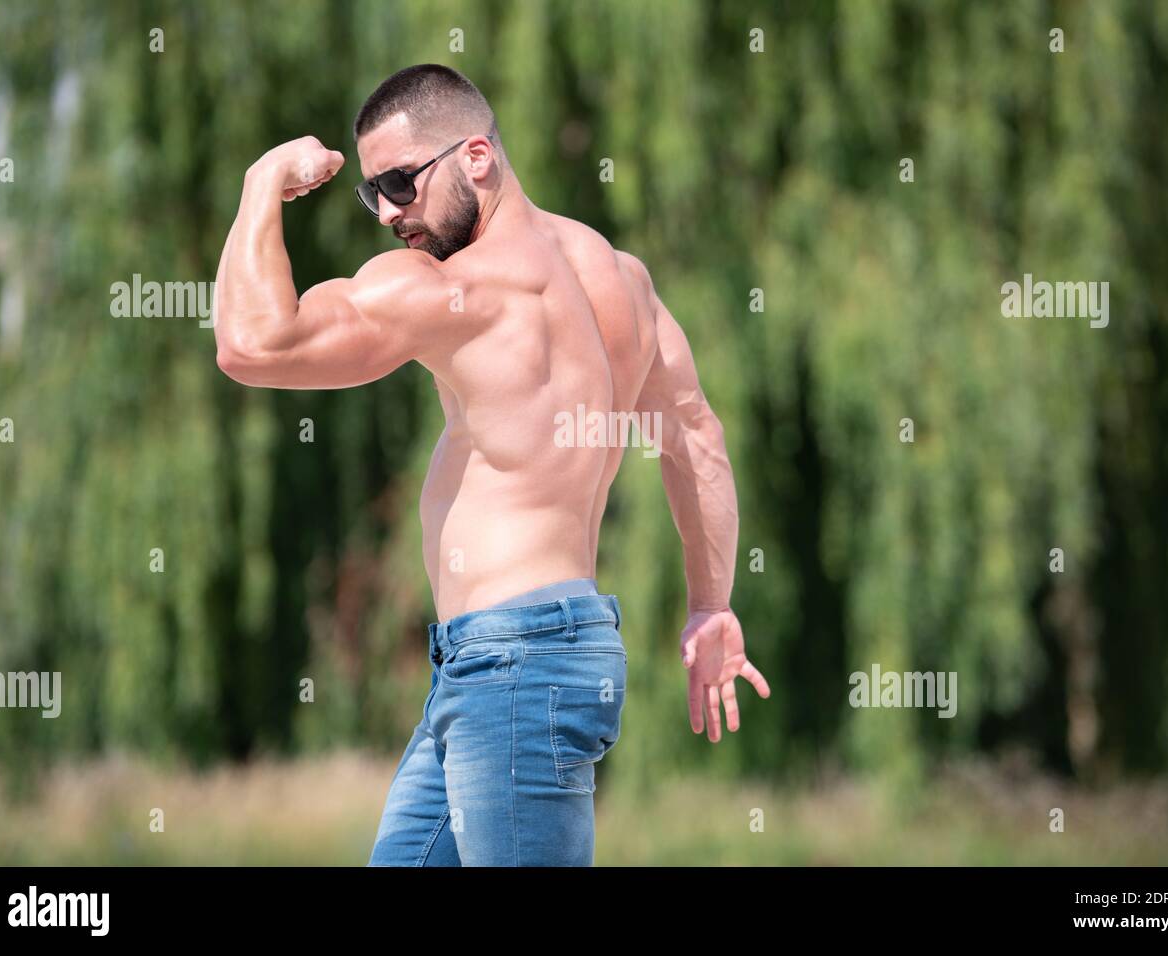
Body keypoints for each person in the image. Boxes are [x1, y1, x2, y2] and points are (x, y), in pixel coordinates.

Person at [212, 63, 771, 865]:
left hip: (515, 666)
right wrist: (710, 603)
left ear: (476, 156)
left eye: (402, 182)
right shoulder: (623, 279)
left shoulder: (453, 290)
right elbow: (694, 436)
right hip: (506, 662)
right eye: (373, 194)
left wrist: (261, 184)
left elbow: (251, 343)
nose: (390, 214)